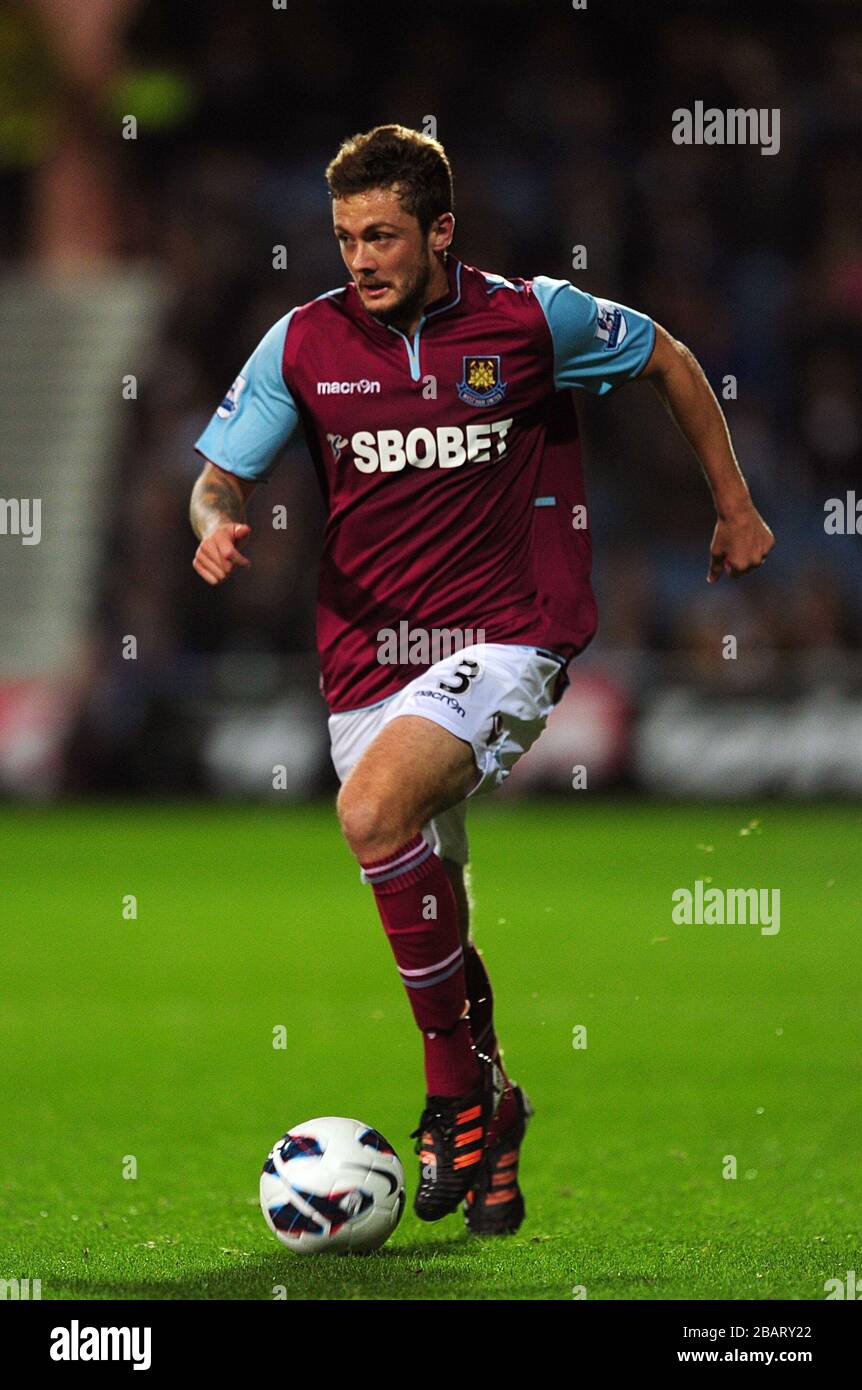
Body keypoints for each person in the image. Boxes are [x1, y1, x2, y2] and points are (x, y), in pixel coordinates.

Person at [189, 124, 774, 1235]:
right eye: (345, 236)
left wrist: (733, 504)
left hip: (509, 634)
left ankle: (453, 1094)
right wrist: (213, 523)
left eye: (382, 235)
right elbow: (216, 478)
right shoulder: (303, 344)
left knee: (369, 811)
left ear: (440, 231)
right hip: (367, 660)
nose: (359, 258)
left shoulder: (530, 319)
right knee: (432, 898)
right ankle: (496, 1108)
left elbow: (668, 359)